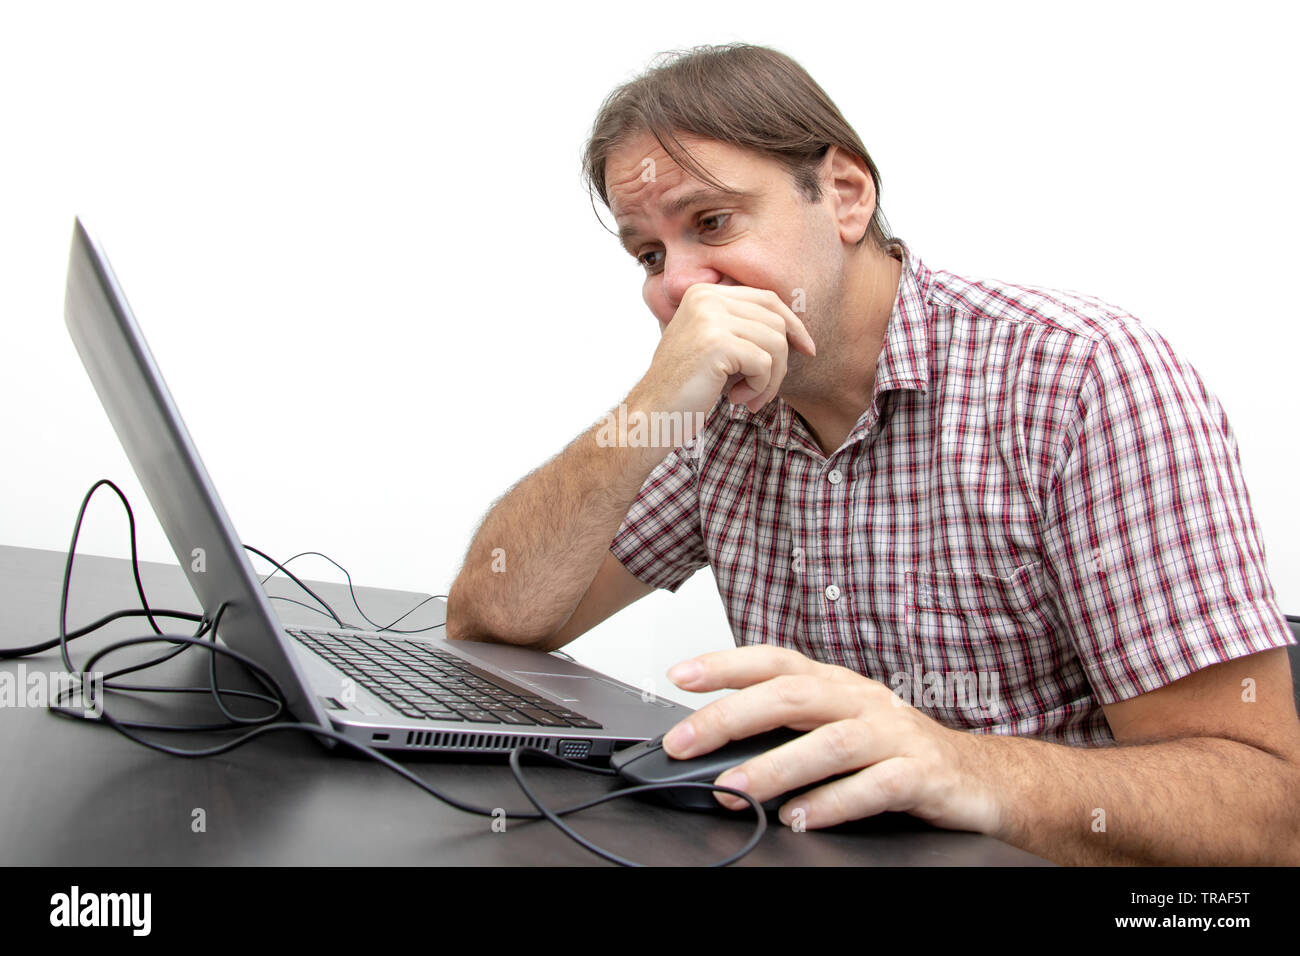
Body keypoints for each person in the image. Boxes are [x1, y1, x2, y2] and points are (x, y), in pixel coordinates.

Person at [445, 42, 1300, 865]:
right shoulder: (712, 410)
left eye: (713, 221)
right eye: (650, 254)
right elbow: (497, 616)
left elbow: (1266, 812)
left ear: (846, 195)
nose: (678, 286)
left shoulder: (1082, 378)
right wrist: (647, 410)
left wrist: (960, 766)